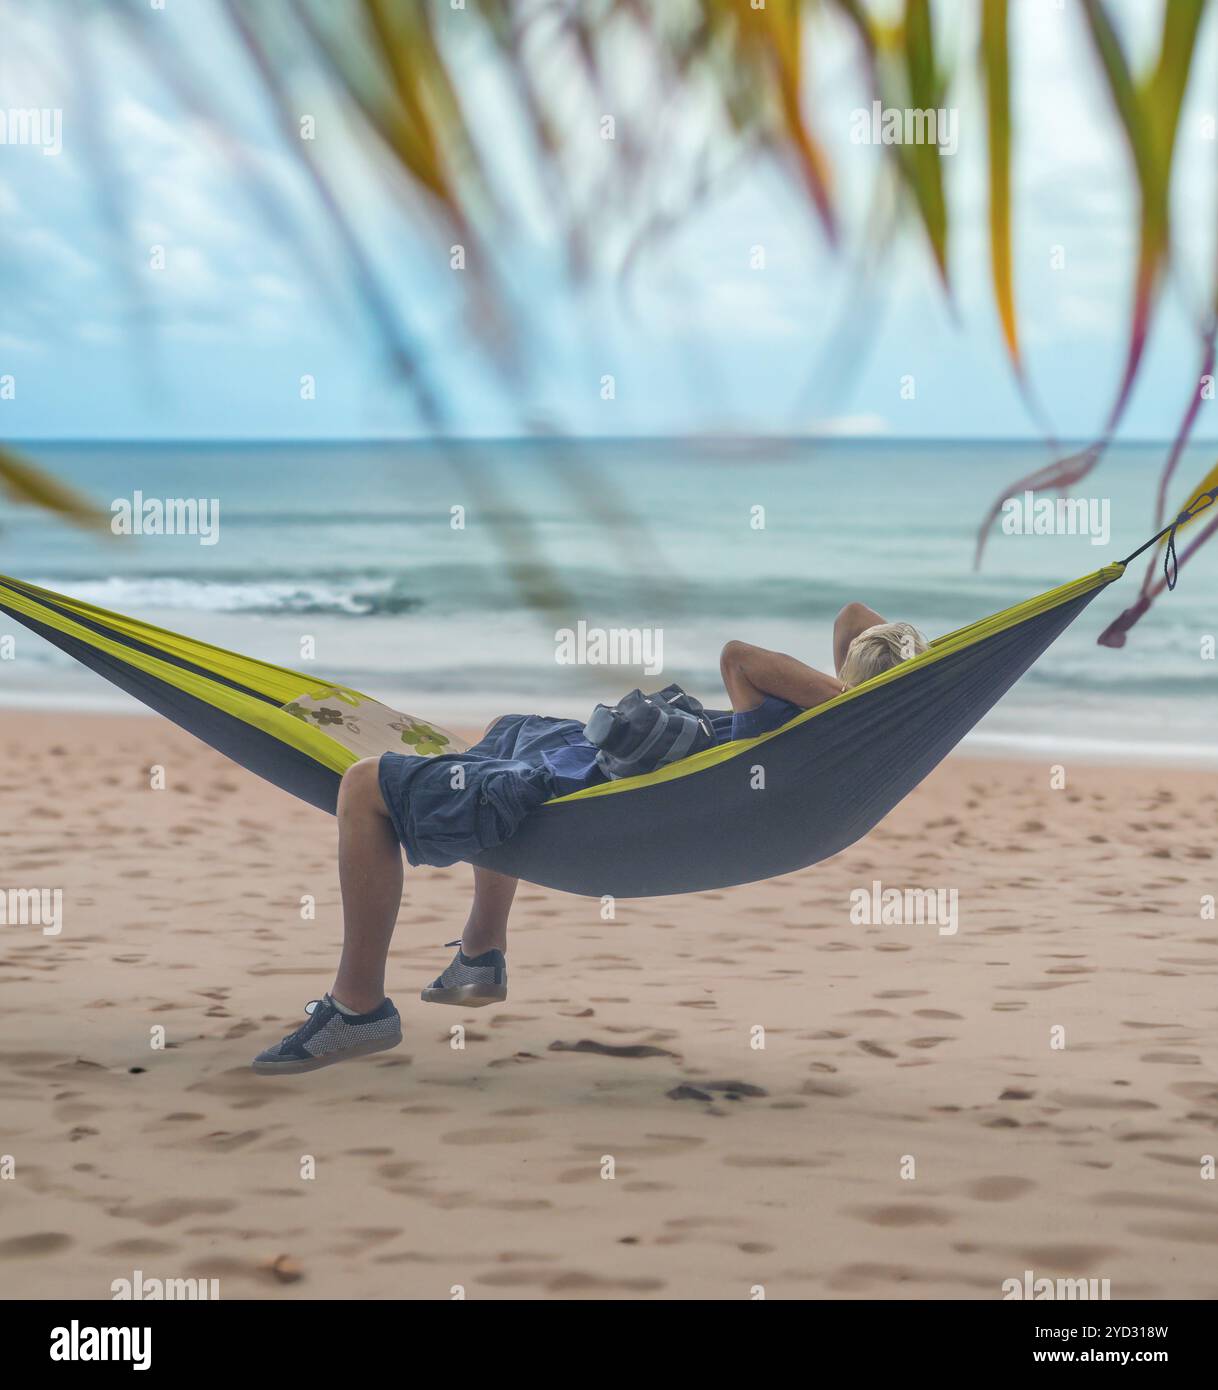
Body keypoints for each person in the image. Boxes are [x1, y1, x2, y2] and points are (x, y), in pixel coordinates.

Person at [251, 603, 928, 1073]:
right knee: (507, 728)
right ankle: (480, 953)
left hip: (588, 793)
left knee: (364, 786)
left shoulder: (789, 725)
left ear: (850, 689)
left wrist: (862, 698)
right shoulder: (817, 734)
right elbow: (852, 617)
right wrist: (908, 670)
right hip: (594, 763)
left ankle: (359, 1007)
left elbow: (736, 657)